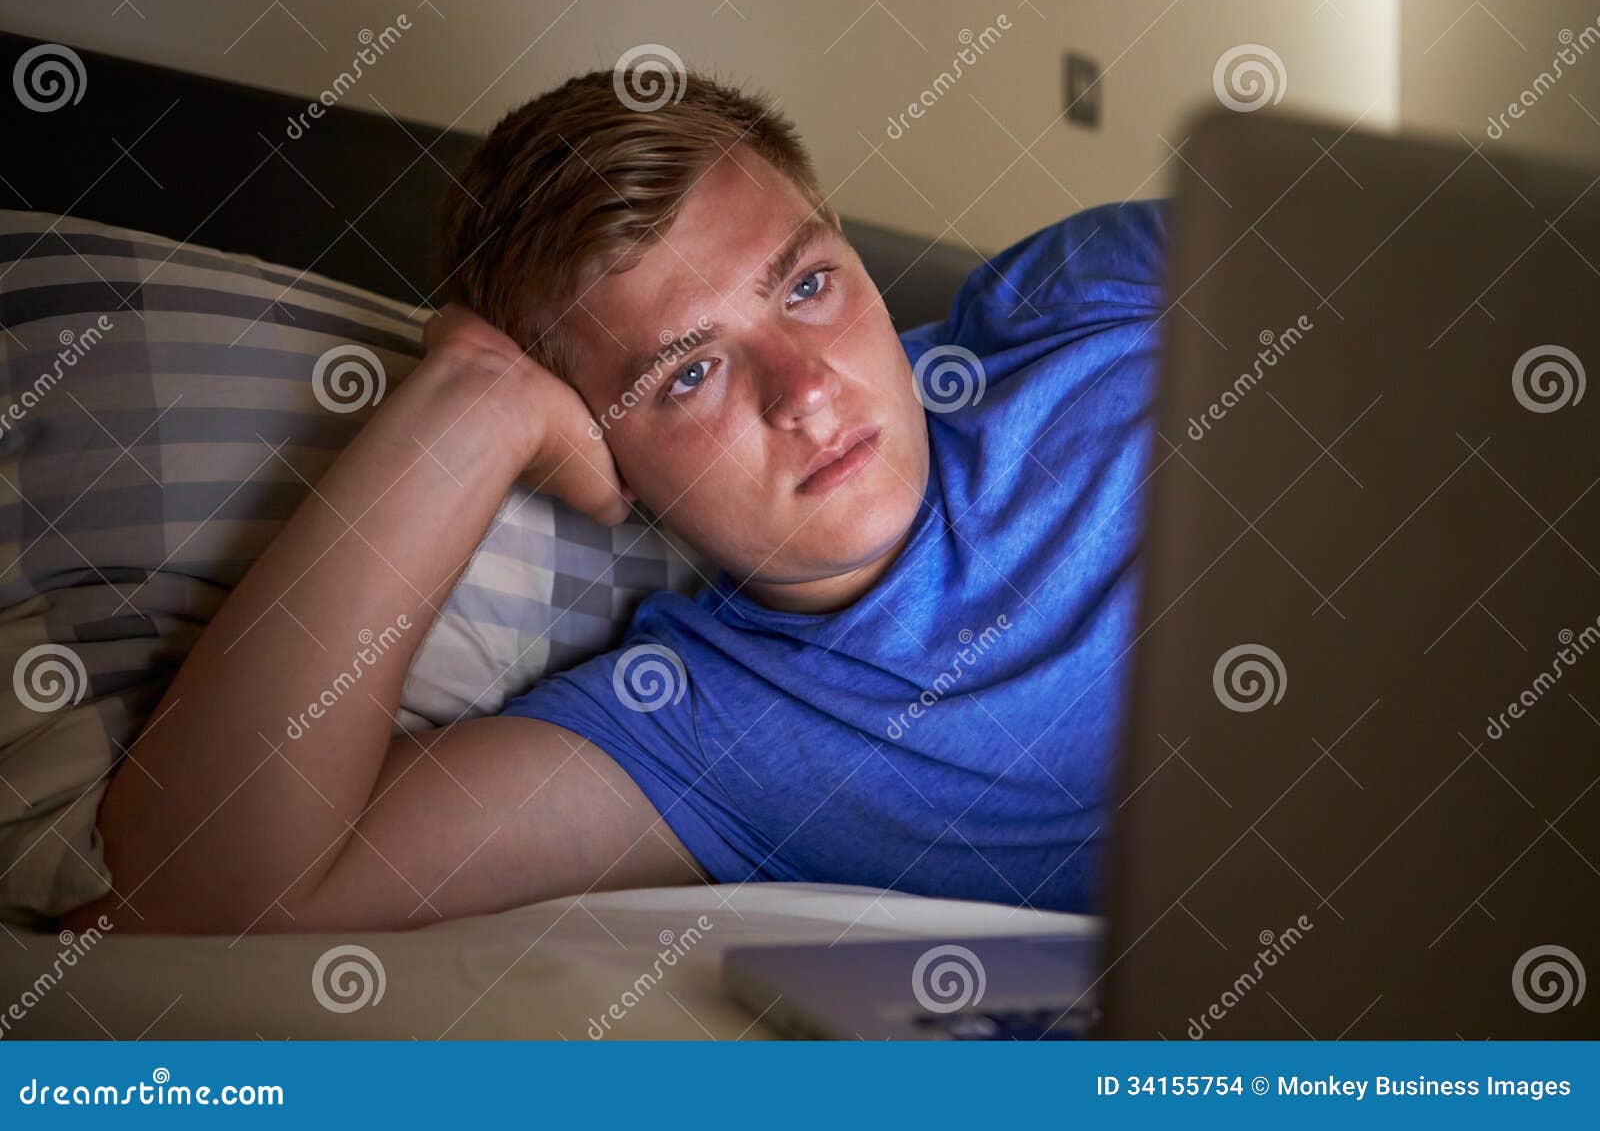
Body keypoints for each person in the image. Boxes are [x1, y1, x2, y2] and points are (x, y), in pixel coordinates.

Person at [70, 69, 1165, 934]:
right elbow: (198, 892)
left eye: (807, 284)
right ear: (599, 448)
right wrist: (469, 409)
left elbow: (1337, 248)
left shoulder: (1072, 305)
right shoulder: (699, 727)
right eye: (686, 375)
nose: (808, 388)